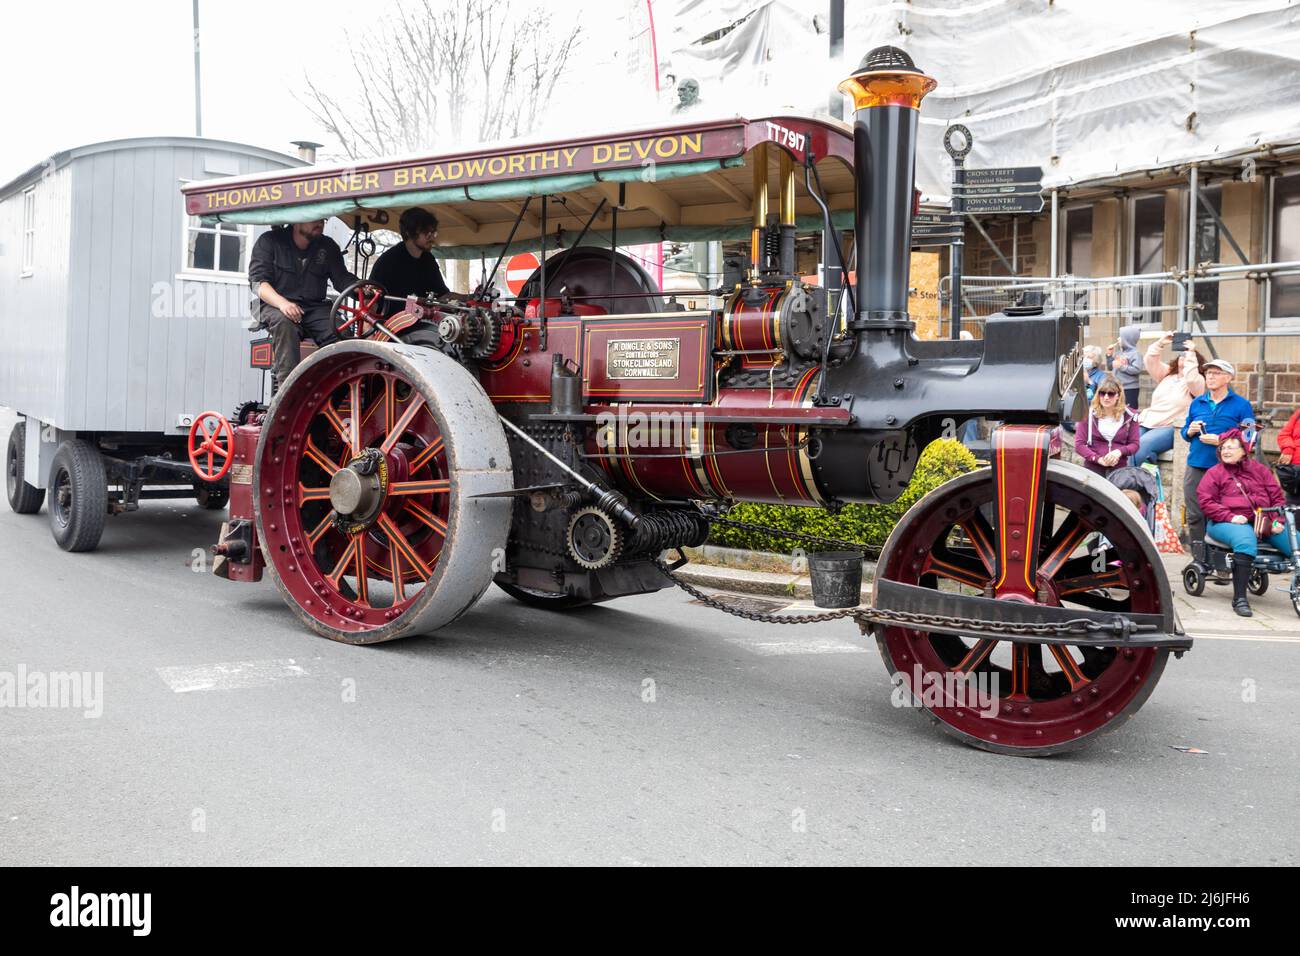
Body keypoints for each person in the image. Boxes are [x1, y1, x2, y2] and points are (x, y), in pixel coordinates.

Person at [249, 219, 359, 393]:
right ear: (297, 221)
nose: (320, 223)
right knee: (285, 323)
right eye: (314, 219)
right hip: (275, 304)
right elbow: (258, 284)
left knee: (341, 331)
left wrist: (363, 289)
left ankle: (328, 390)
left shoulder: (327, 246)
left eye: (322, 219)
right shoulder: (269, 241)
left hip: (314, 308)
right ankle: (287, 394)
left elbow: (342, 279)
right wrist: (283, 304)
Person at [1197, 429, 1291, 617]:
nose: (1226, 451)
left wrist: (1276, 521)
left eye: (1231, 447)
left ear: (1243, 450)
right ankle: (1239, 599)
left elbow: (1277, 499)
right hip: (1223, 521)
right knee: (1245, 539)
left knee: (1294, 540)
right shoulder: (1214, 473)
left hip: (1262, 521)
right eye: (1223, 448)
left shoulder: (1260, 470)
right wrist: (1230, 516)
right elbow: (1206, 502)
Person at [1181, 359, 1256, 555]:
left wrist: (1221, 440)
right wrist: (1188, 431)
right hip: (1196, 465)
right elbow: (1184, 433)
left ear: (1228, 377)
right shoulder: (1198, 402)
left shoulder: (1242, 405)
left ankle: (1222, 561)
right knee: (1195, 515)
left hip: (1227, 469)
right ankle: (1199, 560)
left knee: (1224, 513)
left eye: (1216, 372)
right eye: (1208, 373)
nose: (1210, 376)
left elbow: (1250, 438)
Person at [367, 208, 466, 309]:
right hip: (391, 323)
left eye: (433, 232)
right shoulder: (388, 261)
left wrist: (471, 298)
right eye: (426, 232)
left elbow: (443, 295)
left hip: (422, 321)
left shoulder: (428, 259)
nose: (431, 237)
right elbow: (370, 300)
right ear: (409, 233)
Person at [1132, 333, 1206, 467]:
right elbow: (1150, 361)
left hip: (1170, 427)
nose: (1183, 357)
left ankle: (1135, 483)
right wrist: (1160, 343)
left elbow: (1191, 378)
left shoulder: (1198, 381)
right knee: (1129, 445)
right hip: (1147, 421)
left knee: (1142, 445)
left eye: (1186, 356)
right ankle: (1138, 475)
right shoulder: (1167, 375)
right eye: (1181, 355)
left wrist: (1191, 352)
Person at [1074, 373, 1141, 475]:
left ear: (1118, 396)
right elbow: (1079, 445)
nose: (1106, 397)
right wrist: (1098, 459)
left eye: (1110, 394)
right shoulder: (1088, 414)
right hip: (1093, 468)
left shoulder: (1131, 416)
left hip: (1119, 470)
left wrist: (1119, 452)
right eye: (1102, 393)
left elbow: (1135, 444)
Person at [1107, 324, 1143, 409]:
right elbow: (1110, 367)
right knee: (1116, 409)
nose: (1118, 339)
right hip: (1116, 387)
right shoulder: (1118, 353)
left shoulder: (1135, 354)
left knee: (1129, 410)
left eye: (1120, 337)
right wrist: (1109, 355)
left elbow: (1137, 369)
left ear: (1128, 340)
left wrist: (1121, 367)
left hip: (1129, 389)